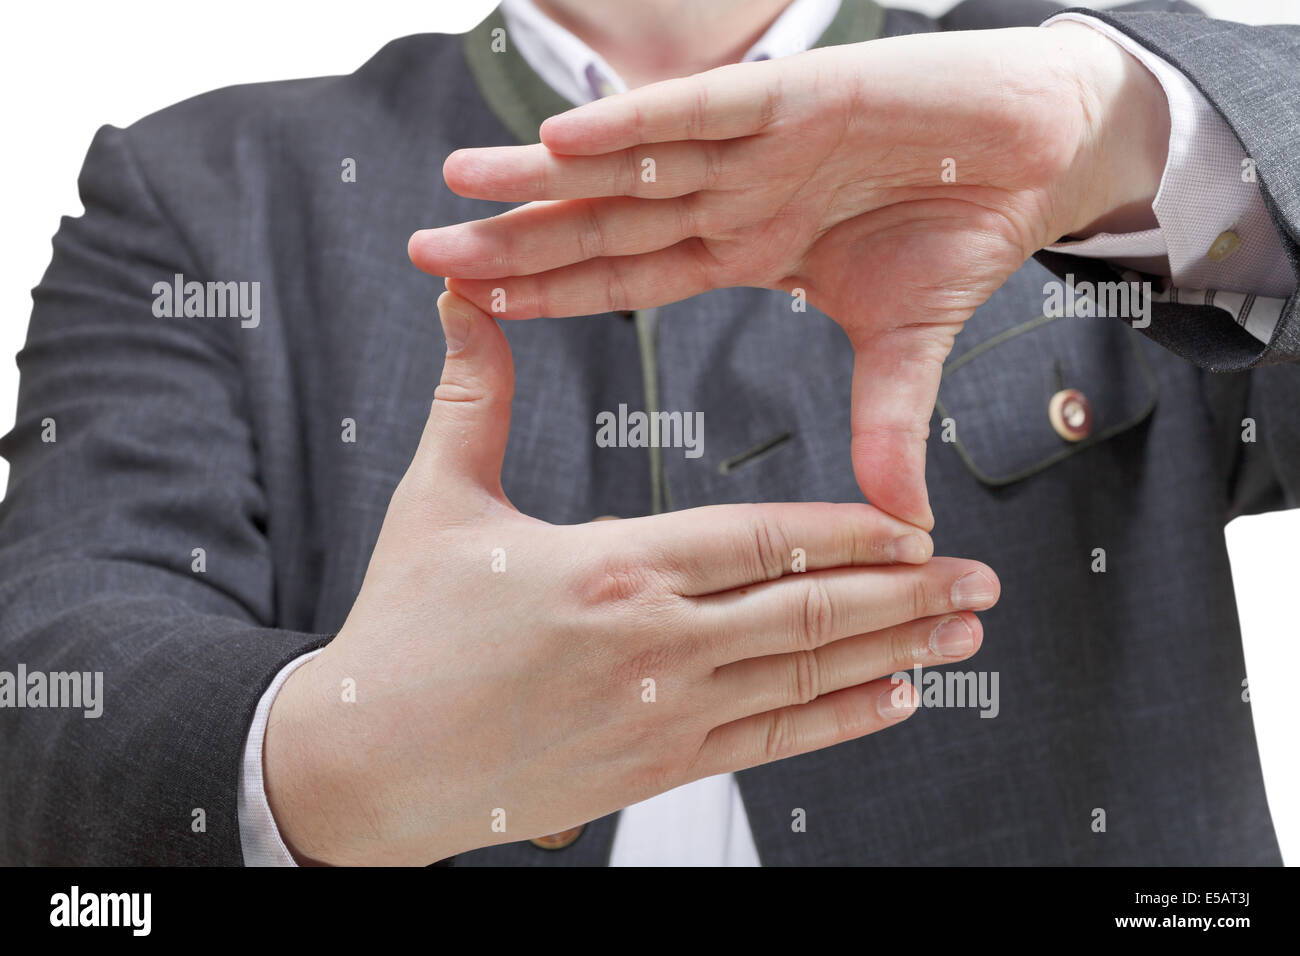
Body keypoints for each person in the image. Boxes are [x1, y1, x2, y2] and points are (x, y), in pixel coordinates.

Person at [0, 0, 1295, 866]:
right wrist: (324, 754)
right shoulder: (207, 186)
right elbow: (53, 676)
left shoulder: (1082, 120)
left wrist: (1139, 122)